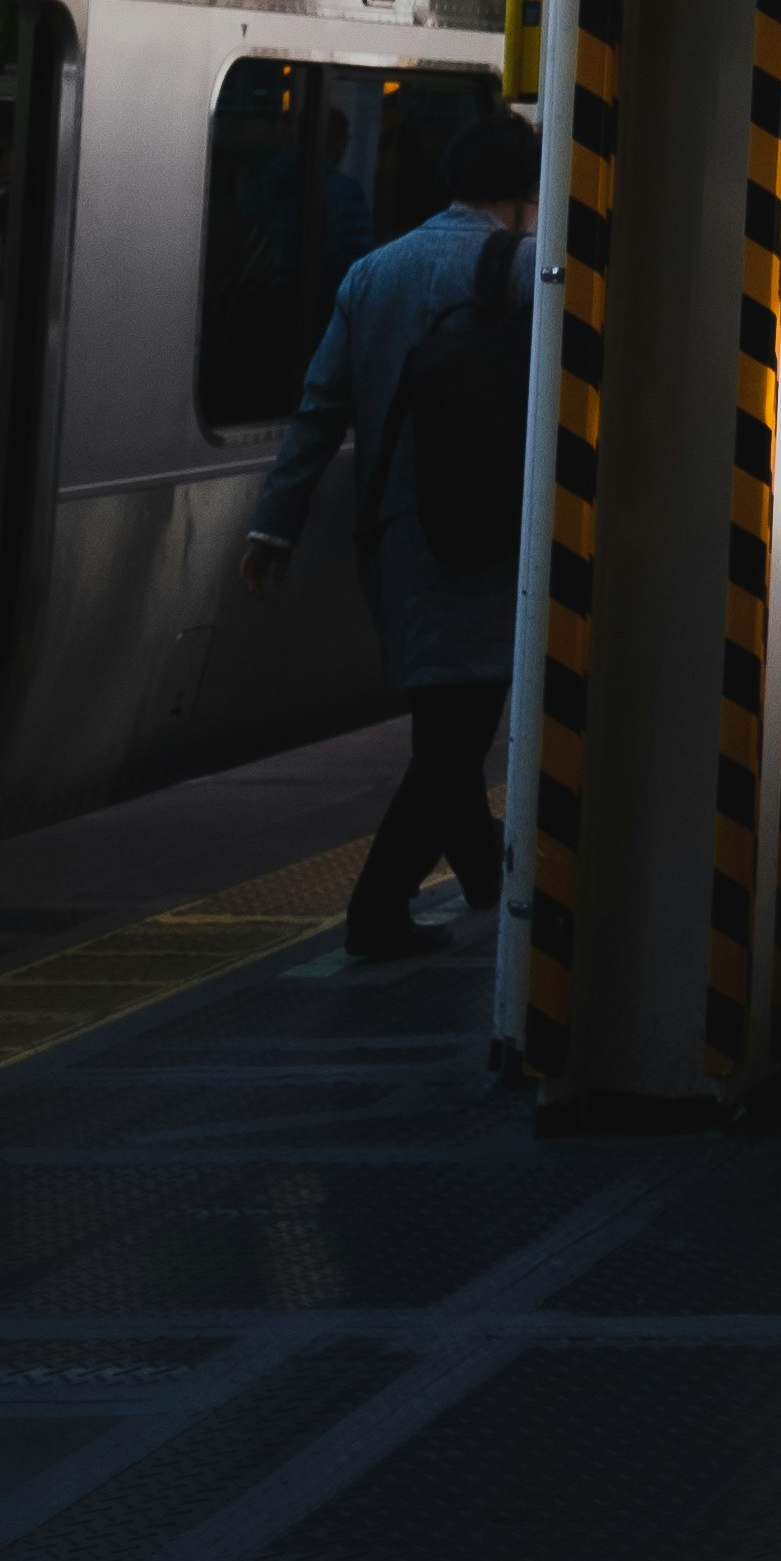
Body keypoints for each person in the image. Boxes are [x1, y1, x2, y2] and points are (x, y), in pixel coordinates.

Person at [237, 104, 544, 963]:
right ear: (526, 192)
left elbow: (318, 410)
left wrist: (275, 527)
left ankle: (486, 878)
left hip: (396, 539)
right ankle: (379, 906)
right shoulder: (526, 273)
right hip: (482, 538)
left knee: (442, 722)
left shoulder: (372, 272)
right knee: (456, 737)